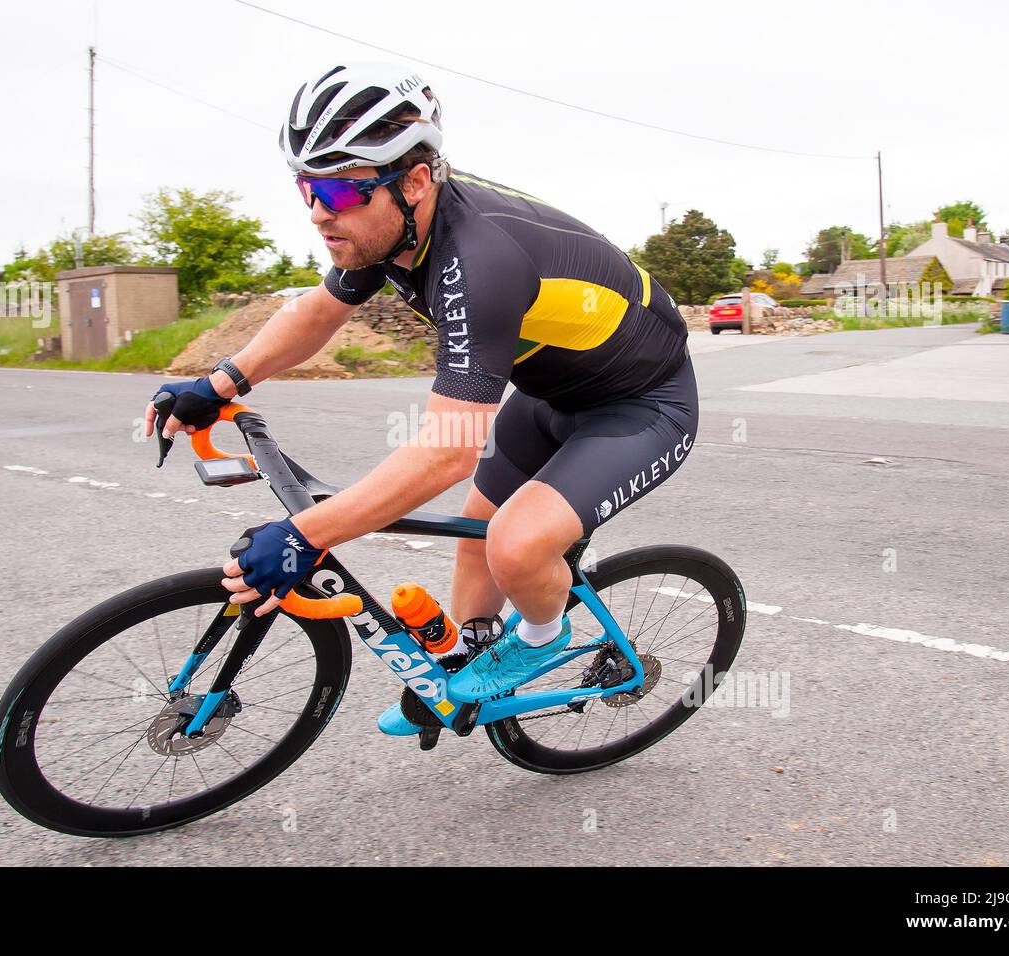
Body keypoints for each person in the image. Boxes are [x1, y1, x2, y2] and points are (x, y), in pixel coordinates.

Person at [145, 62, 698, 735]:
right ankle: (468, 666)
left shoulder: (480, 261)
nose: (321, 212)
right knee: (475, 541)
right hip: (553, 394)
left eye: (340, 188)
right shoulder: (389, 227)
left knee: (514, 545)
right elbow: (318, 312)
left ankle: (544, 637)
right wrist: (218, 384)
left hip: (644, 405)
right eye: (307, 187)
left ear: (413, 180)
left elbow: (446, 454)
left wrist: (301, 535)